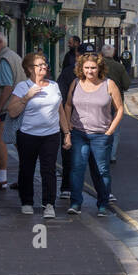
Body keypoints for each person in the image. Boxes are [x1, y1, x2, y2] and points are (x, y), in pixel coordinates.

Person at [62, 52, 123, 216]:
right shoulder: (75, 83)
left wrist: (110, 131)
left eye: (93, 68)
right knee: (77, 168)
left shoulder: (109, 84)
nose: (90, 71)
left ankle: (103, 204)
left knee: (101, 170)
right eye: (87, 68)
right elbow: (68, 105)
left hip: (100, 135)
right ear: (81, 68)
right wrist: (68, 126)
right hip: (79, 133)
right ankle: (75, 203)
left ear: (99, 68)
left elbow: (120, 109)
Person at [6, 52, 64, 218]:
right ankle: (27, 202)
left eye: (45, 64)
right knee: (27, 169)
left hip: (51, 135)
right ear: (30, 69)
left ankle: (49, 204)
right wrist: (27, 97)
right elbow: (12, 111)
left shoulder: (54, 86)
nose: (44, 66)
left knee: (49, 170)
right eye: (40, 65)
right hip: (28, 135)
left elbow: (60, 110)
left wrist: (66, 132)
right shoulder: (22, 87)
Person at [0, 32, 23, 190]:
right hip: (18, 106)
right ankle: (25, 177)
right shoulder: (13, 56)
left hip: (8, 108)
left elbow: (7, 87)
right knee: (18, 143)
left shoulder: (4, 59)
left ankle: (2, 178)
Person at [100, 42, 131, 164]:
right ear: (113, 53)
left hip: (100, 101)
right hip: (116, 101)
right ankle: (112, 155)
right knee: (115, 129)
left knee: (100, 127)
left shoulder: (97, 66)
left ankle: (101, 153)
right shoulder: (119, 67)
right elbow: (127, 84)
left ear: (102, 53)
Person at [56, 42, 79, 200]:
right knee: (68, 155)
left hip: (93, 125)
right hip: (70, 122)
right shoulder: (67, 73)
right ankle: (66, 186)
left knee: (96, 161)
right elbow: (63, 101)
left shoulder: (100, 73)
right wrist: (66, 126)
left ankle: (104, 192)